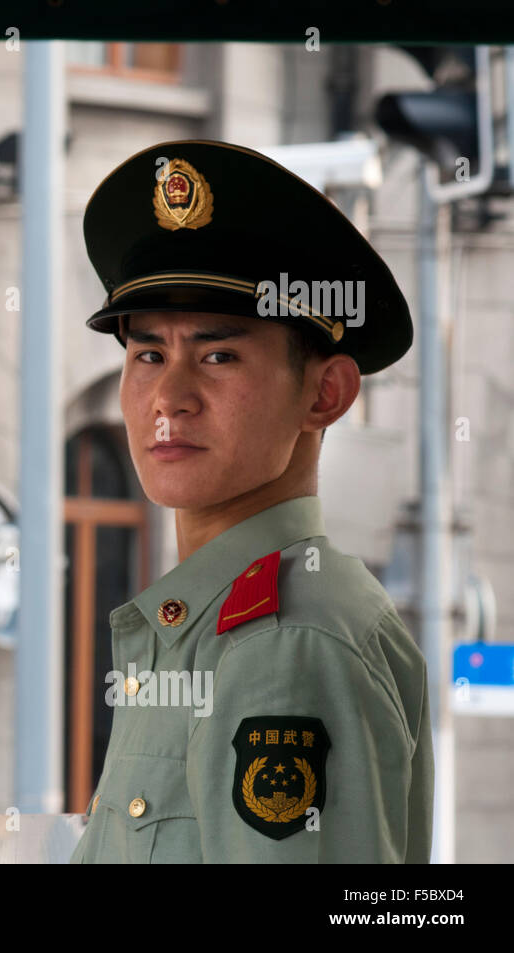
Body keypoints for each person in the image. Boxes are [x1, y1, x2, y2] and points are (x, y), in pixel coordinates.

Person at [70, 139, 433, 863]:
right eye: (148, 354)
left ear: (323, 393)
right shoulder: (212, 625)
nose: (169, 398)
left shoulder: (282, 644)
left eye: (218, 355)